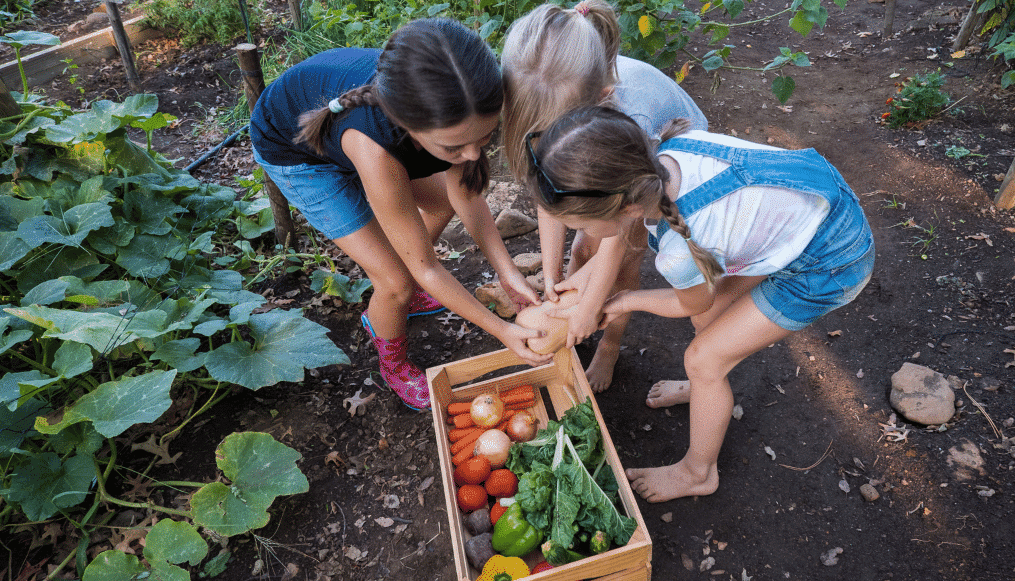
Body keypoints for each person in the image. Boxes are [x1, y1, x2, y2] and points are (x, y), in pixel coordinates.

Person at [524, 106, 875, 502]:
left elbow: (690, 303)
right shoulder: (662, 160)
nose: (582, 234)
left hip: (828, 261)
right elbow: (626, 243)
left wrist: (623, 301)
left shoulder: (679, 249)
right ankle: (703, 390)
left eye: (583, 226)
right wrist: (581, 285)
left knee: (703, 359)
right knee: (711, 322)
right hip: (811, 204)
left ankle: (698, 472)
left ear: (626, 208)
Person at [250, 18, 549, 411]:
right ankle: (393, 363)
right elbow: (429, 268)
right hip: (295, 150)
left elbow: (466, 199)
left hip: (353, 133)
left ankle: (402, 289)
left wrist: (508, 274)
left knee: (439, 204)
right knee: (395, 282)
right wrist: (502, 330)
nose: (473, 154)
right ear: (410, 127)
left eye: (484, 137)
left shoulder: (456, 108)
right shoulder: (377, 149)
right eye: (455, 148)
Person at [501, 0, 708, 392]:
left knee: (623, 260)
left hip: (662, 166)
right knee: (583, 249)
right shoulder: (552, 99)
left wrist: (593, 304)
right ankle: (574, 317)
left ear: (601, 99)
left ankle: (610, 346)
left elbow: (620, 238)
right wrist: (552, 274)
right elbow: (549, 194)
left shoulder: (632, 122)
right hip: (609, 165)